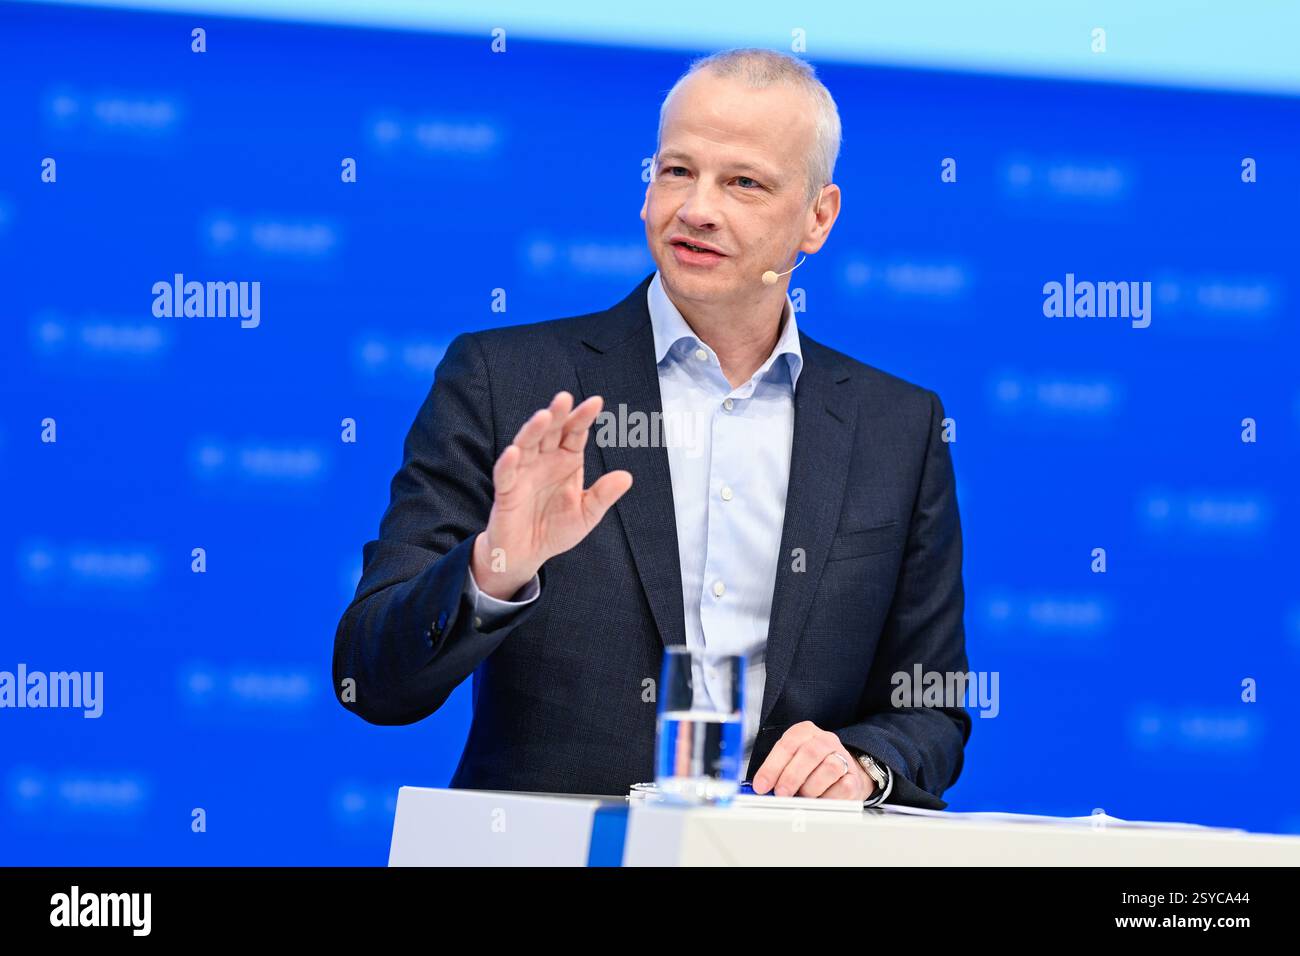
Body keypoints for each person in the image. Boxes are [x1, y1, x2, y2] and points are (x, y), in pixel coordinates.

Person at [333, 48, 970, 808]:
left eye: (743, 182)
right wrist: (497, 564)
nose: (697, 208)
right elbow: (368, 679)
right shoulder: (508, 382)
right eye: (676, 171)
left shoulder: (896, 425)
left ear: (817, 218)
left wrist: (864, 763)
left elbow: (930, 708)